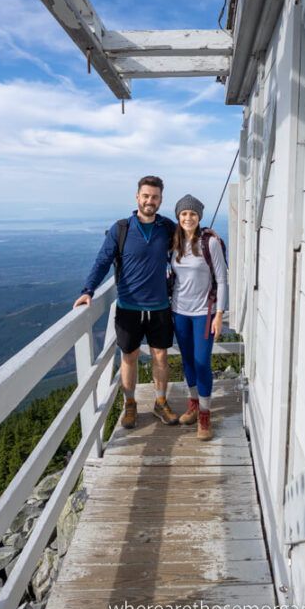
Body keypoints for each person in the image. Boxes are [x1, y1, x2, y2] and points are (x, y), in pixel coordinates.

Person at [74, 175, 179, 428]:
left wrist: (206, 233)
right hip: (129, 307)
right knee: (129, 357)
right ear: (137, 197)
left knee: (161, 357)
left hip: (159, 306)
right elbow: (103, 261)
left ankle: (160, 402)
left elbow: (189, 241)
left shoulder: (168, 228)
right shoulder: (121, 229)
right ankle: (130, 404)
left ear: (161, 199)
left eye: (154, 197)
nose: (150, 201)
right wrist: (88, 289)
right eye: (146, 196)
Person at [169, 194, 228, 441]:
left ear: (199, 217)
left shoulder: (210, 242)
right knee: (188, 362)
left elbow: (223, 280)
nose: (188, 218)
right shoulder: (174, 243)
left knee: (202, 362)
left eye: (192, 214)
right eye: (184, 214)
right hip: (179, 311)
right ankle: (194, 404)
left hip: (203, 313)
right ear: (178, 217)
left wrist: (219, 315)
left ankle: (205, 415)